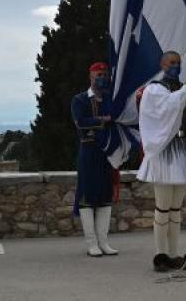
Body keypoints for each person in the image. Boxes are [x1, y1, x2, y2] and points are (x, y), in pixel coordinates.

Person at [136, 52, 186, 273]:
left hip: (182, 149)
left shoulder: (183, 88)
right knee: (162, 207)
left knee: (176, 208)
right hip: (165, 152)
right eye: (171, 63)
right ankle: (161, 253)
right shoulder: (155, 89)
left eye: (178, 63)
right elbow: (166, 109)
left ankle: (174, 254)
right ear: (162, 64)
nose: (175, 66)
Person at [71, 62, 119, 257]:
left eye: (105, 74)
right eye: (99, 74)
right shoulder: (80, 99)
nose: (102, 77)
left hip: (106, 153)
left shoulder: (110, 99)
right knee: (87, 197)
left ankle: (104, 242)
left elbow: (117, 118)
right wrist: (103, 120)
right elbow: (80, 123)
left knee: (105, 197)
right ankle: (92, 243)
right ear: (90, 77)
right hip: (89, 152)